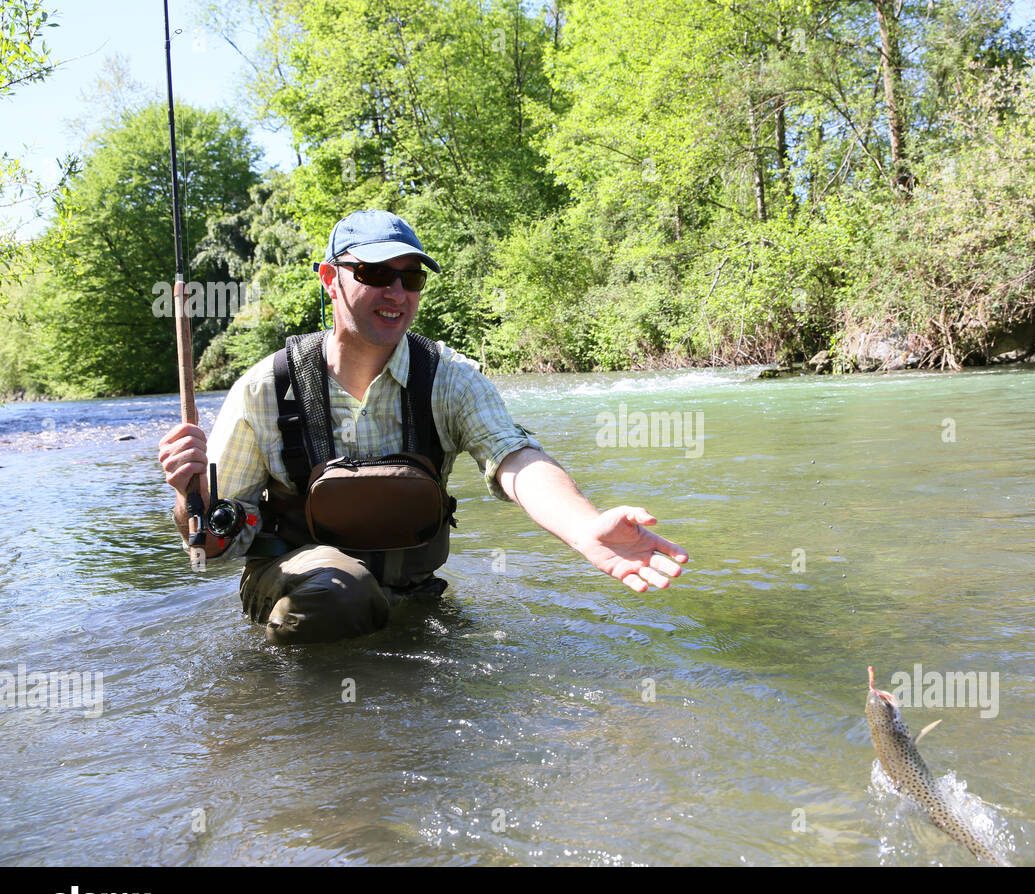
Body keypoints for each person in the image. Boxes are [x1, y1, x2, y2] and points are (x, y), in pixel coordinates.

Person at [158, 210, 688, 643]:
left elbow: (515, 458)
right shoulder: (264, 389)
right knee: (336, 595)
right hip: (300, 590)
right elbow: (214, 542)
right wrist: (191, 498)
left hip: (412, 593)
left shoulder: (450, 379)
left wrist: (583, 527)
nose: (396, 292)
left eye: (410, 277)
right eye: (374, 274)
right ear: (329, 279)